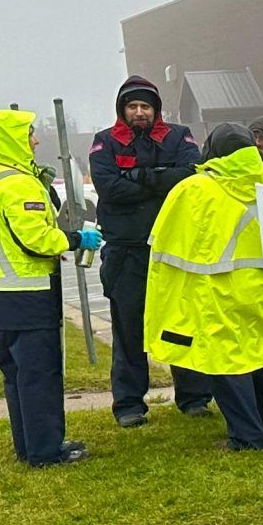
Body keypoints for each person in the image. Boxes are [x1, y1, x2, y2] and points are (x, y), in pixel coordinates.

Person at [144, 124, 263, 450]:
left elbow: (163, 241)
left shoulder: (194, 188)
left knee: (227, 365)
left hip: (215, 291)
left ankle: (245, 437)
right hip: (260, 289)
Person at [0, 107, 98, 466]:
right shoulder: (17, 182)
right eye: (29, 133)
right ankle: (46, 450)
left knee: (16, 375)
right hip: (26, 291)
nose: (35, 139)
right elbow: (36, 239)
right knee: (39, 372)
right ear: (13, 138)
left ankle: (29, 445)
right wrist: (75, 239)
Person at [89, 77, 212, 426]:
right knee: (129, 331)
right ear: (122, 110)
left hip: (173, 249)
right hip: (126, 253)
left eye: (145, 106)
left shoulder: (177, 135)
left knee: (181, 323)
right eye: (132, 106)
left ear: (156, 109)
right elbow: (109, 188)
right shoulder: (106, 142)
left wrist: (138, 178)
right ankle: (129, 404)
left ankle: (194, 397)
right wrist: (159, 179)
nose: (139, 112)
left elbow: (190, 176)